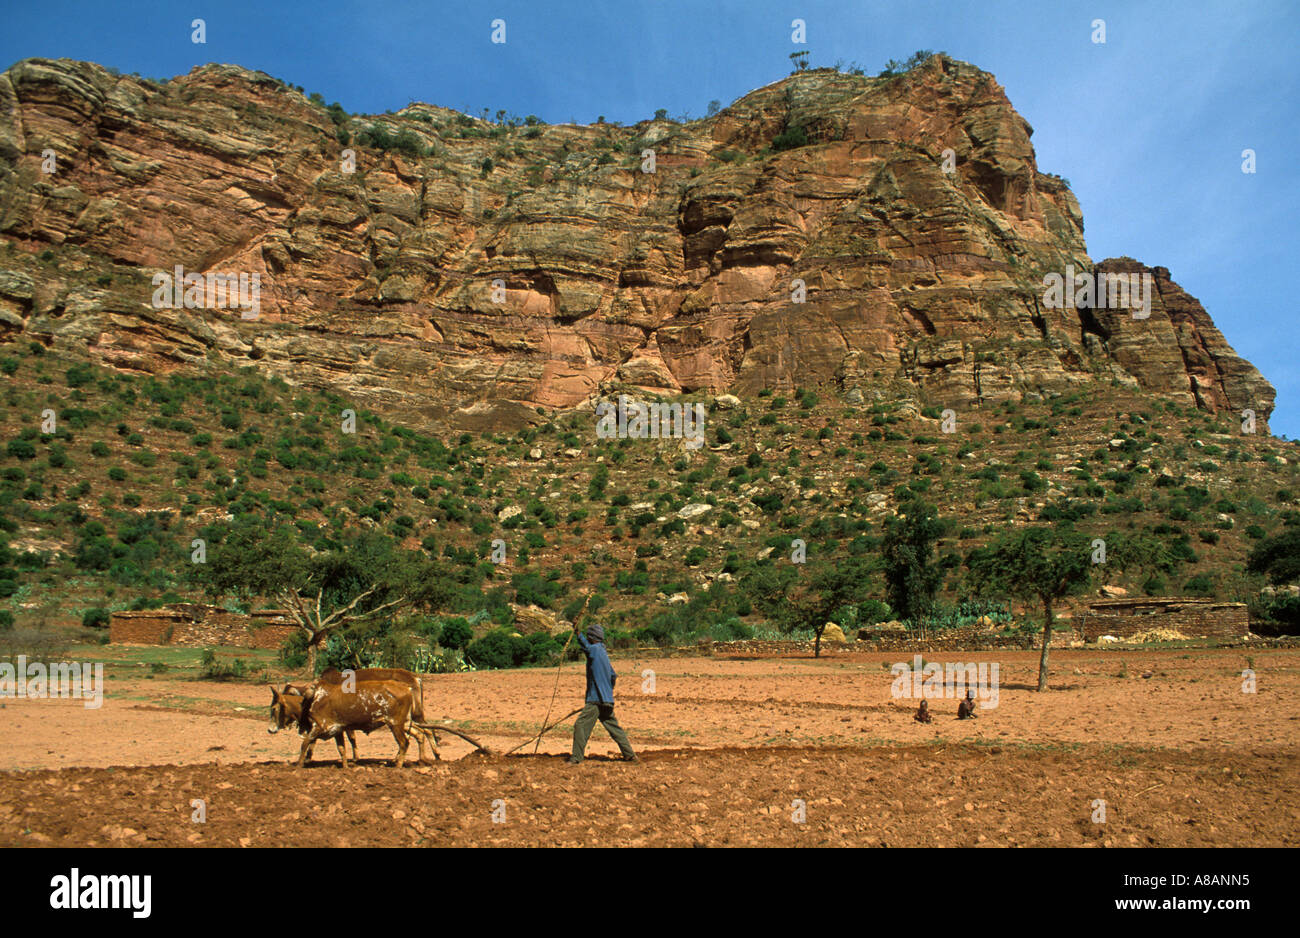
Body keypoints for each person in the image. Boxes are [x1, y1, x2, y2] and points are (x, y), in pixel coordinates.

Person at [569, 623, 638, 764]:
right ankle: (630, 755)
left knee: (581, 725)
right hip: (607, 699)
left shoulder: (594, 649)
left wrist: (577, 633)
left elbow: (586, 647)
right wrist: (607, 691)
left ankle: (576, 758)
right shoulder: (603, 652)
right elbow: (613, 676)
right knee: (614, 727)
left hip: (596, 699)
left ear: (592, 638)